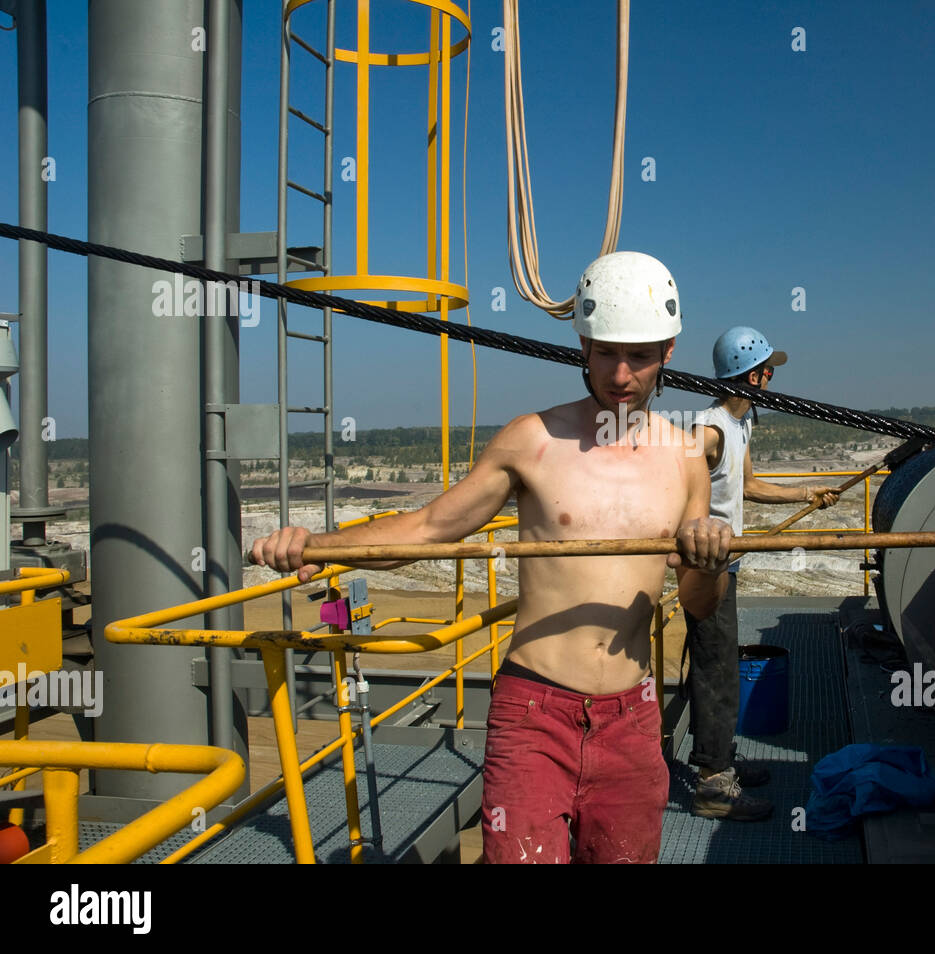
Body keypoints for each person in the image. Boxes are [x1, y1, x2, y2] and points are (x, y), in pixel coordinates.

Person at [250, 251, 733, 863]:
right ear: (582, 345)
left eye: (638, 355)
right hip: (535, 712)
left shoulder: (684, 459)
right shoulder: (533, 440)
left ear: (667, 352)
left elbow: (696, 600)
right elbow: (430, 528)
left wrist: (710, 564)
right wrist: (316, 545)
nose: (620, 373)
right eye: (606, 351)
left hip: (633, 719)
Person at [683, 326, 840, 820]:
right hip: (706, 566)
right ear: (752, 374)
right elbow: (676, 495)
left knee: (722, 659)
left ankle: (719, 759)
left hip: (725, 562)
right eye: (767, 370)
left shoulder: (741, 424)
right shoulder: (706, 432)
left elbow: (746, 484)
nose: (771, 379)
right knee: (715, 668)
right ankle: (712, 785)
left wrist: (805, 495)